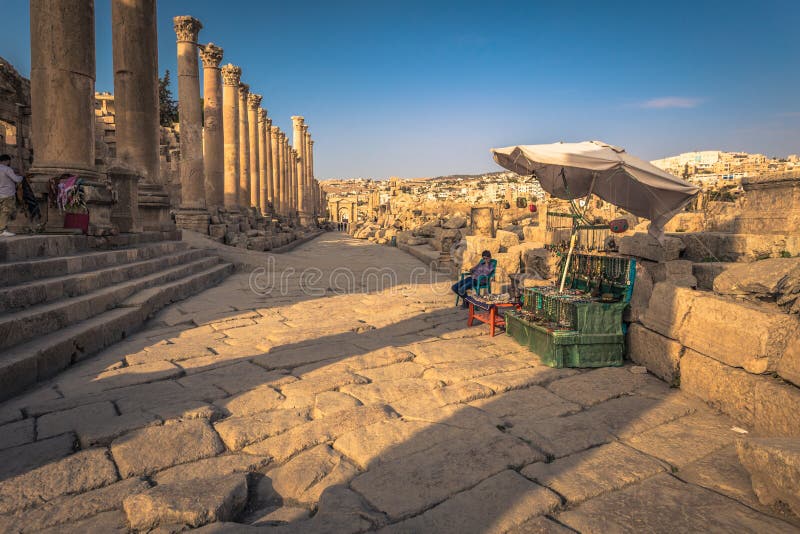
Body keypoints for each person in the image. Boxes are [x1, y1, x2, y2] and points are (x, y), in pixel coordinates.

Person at [0, 154, 23, 237]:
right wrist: (22, 177)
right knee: (6, 212)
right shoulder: (7, 169)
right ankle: (2, 230)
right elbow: (16, 179)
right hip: (7, 194)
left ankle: (3, 228)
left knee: (2, 212)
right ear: (7, 161)